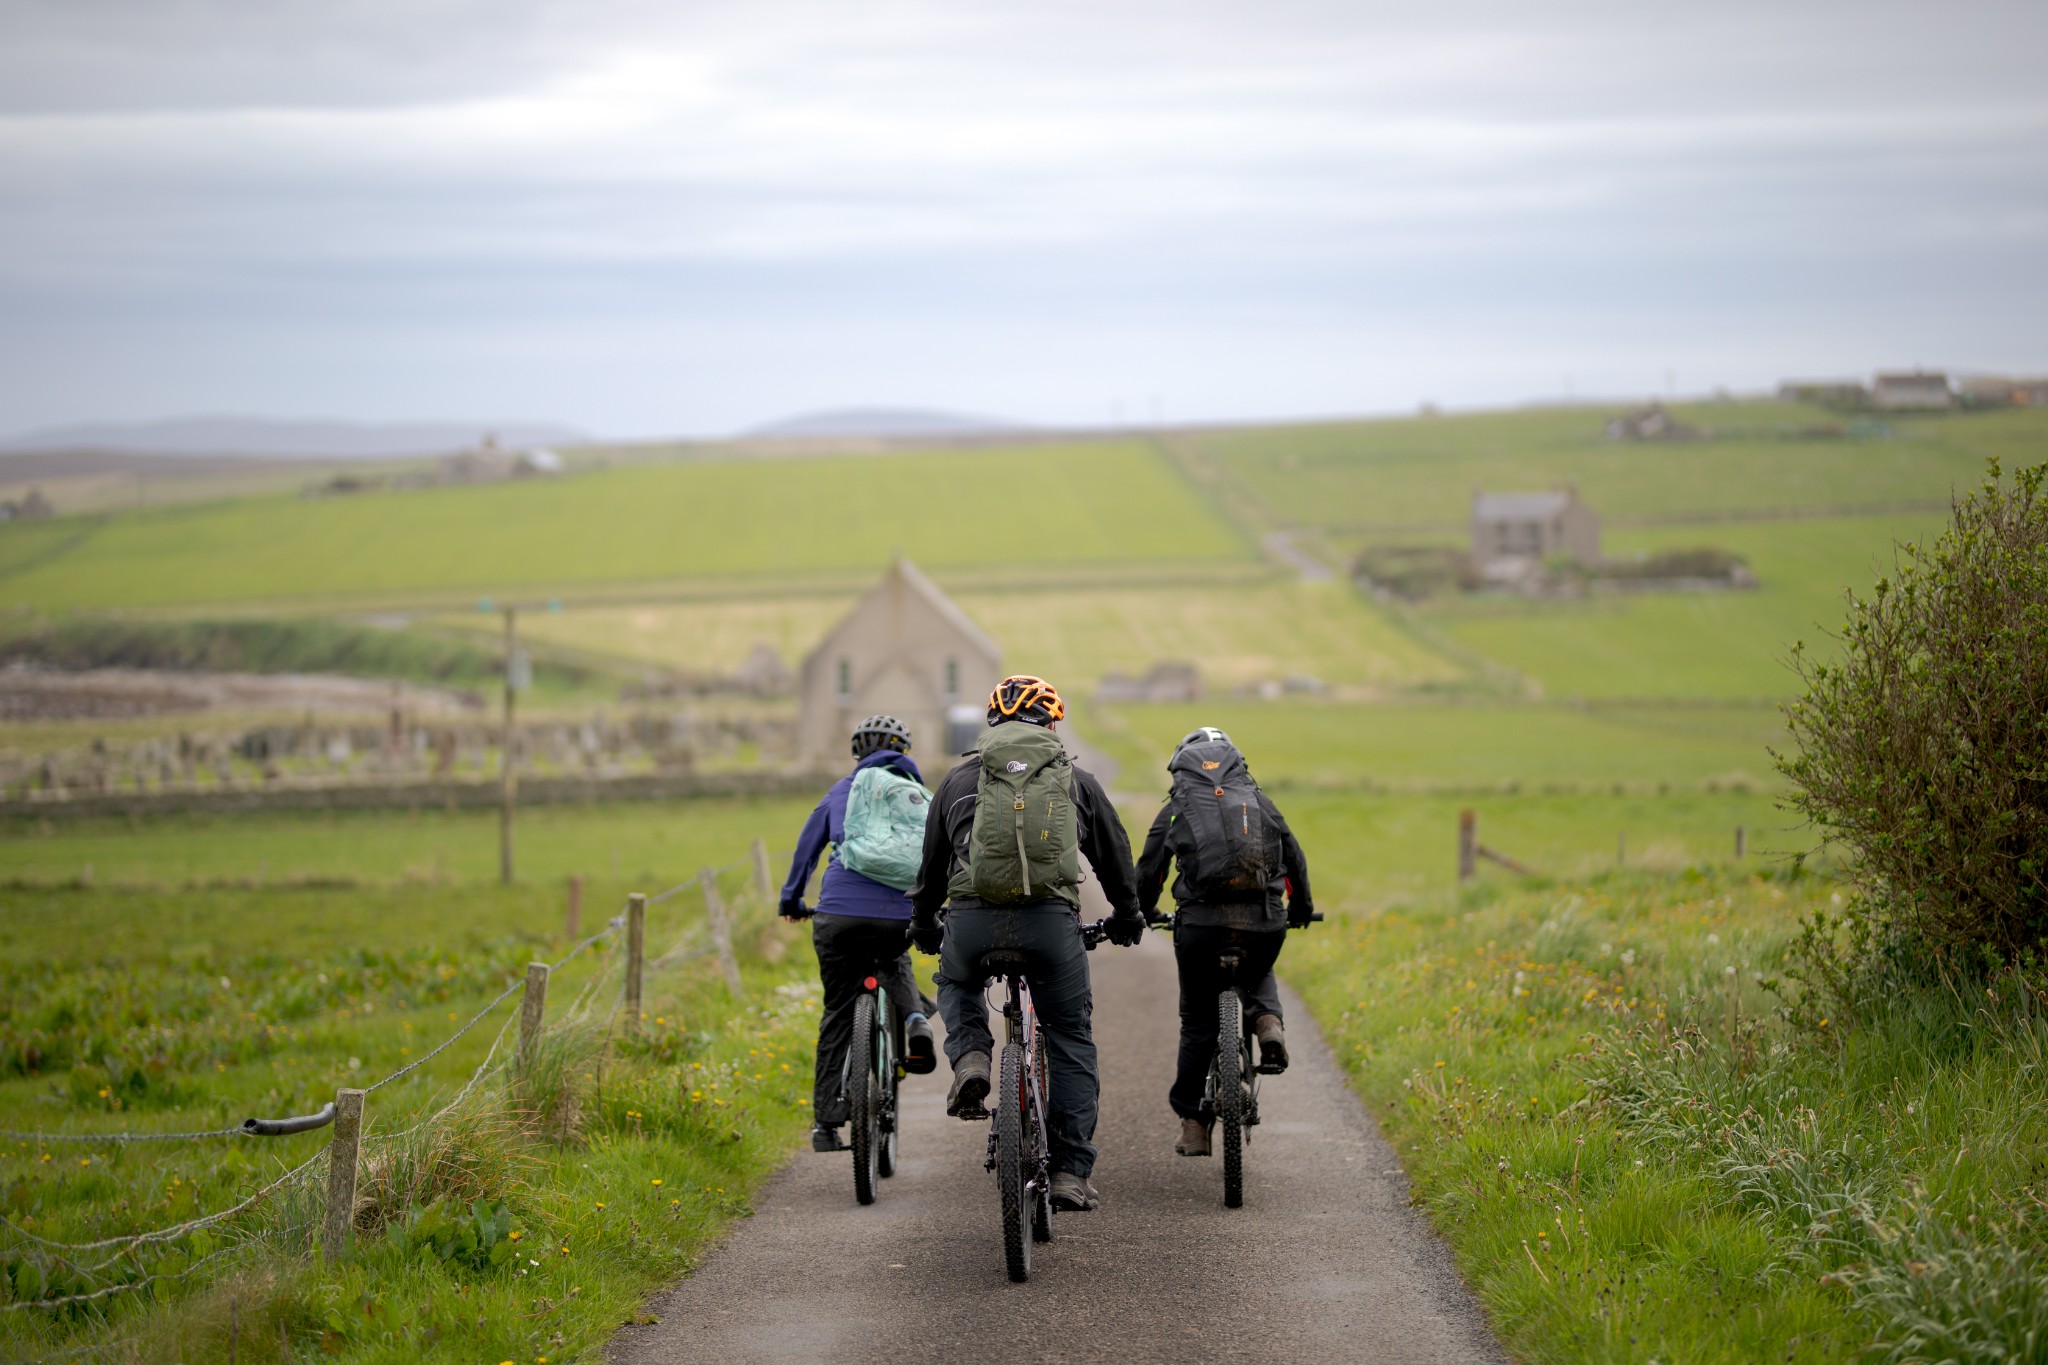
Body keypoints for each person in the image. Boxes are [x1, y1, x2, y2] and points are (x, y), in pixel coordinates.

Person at [908, 674, 1145, 1212]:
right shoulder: (1074, 780)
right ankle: (1068, 1172)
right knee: (1070, 1038)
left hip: (971, 924)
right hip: (1048, 925)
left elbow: (930, 869)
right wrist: (1128, 916)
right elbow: (1114, 856)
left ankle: (971, 1057)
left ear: (991, 724)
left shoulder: (958, 780)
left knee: (956, 981)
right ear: (1052, 724)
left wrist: (923, 924)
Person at [1135, 726, 1314, 1158]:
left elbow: (1150, 870)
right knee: (1259, 967)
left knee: (1198, 1022)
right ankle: (1267, 1022)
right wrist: (1301, 908)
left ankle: (1194, 1123)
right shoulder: (1257, 802)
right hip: (1263, 922)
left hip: (1199, 928)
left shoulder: (1177, 808)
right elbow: (1293, 856)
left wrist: (1145, 911)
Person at [779, 714, 938, 1154]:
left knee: (837, 1014)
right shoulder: (918, 795)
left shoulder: (841, 792)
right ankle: (916, 1019)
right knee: (893, 958)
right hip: (898, 918)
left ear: (857, 755)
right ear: (904, 754)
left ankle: (826, 1126)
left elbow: (805, 853)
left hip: (839, 916)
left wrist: (791, 903)